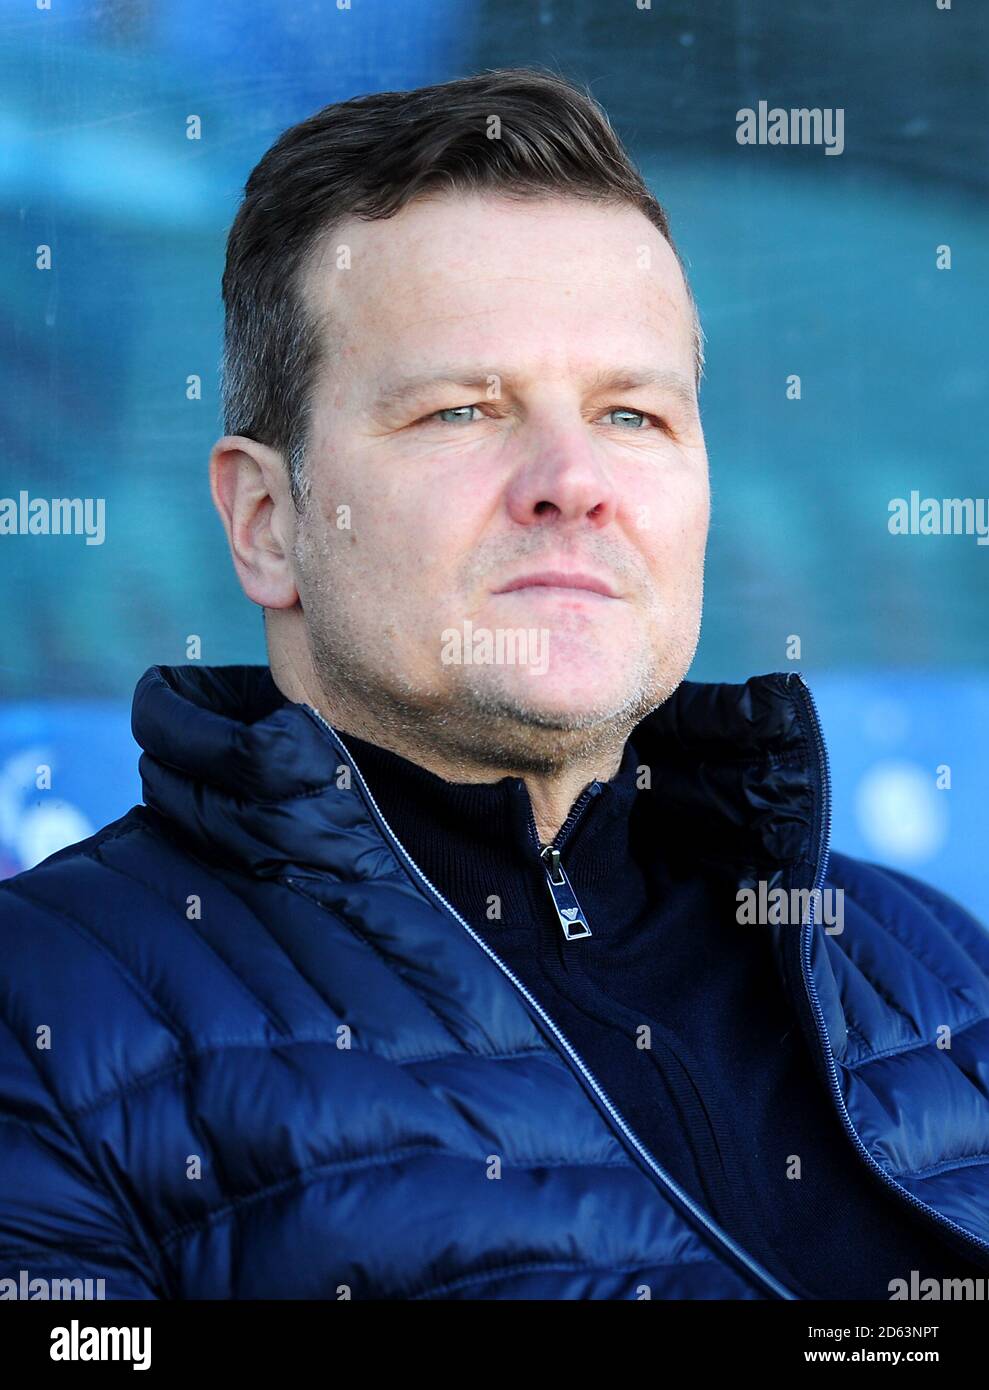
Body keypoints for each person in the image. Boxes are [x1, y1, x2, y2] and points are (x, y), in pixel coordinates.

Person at [2, 67, 988, 1302]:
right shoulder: (42, 1019)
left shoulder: (943, 976)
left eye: (632, 415)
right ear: (265, 519)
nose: (571, 480)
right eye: (463, 410)